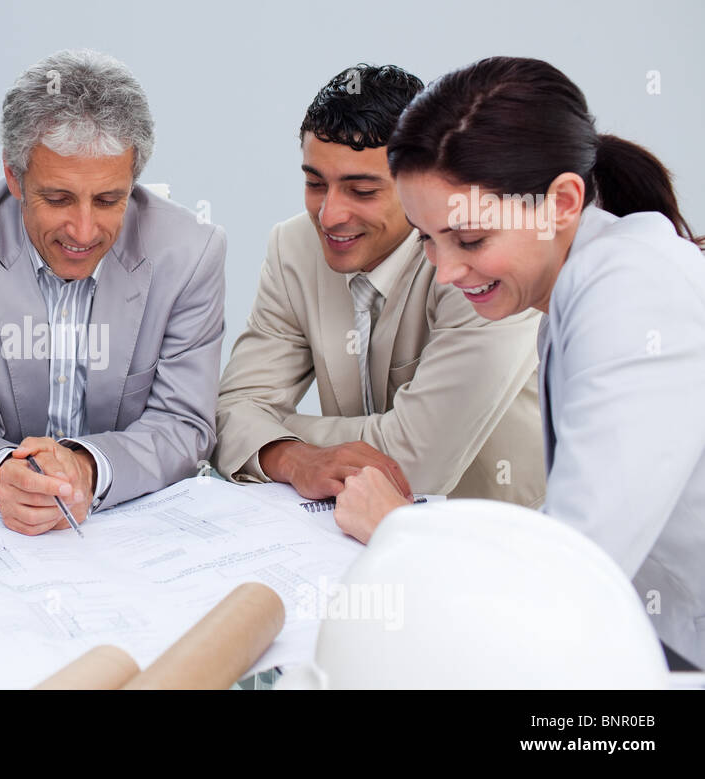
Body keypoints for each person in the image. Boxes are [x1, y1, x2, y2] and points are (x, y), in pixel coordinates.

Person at [334, 56, 705, 668]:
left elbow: (571, 571)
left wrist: (402, 530)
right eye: (426, 238)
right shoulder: (586, 284)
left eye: (471, 239)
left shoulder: (634, 295)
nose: (447, 272)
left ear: (561, 202)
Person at [0, 49, 225, 536]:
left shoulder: (193, 252)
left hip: (129, 527)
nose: (83, 230)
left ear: (133, 182)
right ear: (14, 176)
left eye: (108, 200)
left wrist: (87, 468)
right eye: (57, 199)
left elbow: (183, 423)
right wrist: (1, 475)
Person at [215, 64, 545, 506]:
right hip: (354, 535)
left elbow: (417, 461)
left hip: (504, 539)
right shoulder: (293, 246)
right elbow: (229, 411)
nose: (329, 216)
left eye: (362, 191)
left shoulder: (477, 260)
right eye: (315, 183)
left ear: (418, 186)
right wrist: (294, 459)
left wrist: (272, 433)